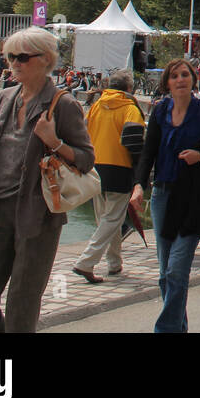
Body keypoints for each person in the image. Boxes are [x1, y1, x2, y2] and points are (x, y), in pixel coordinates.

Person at [0, 27, 95, 333]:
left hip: (37, 214)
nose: (14, 62)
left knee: (21, 307)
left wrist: (54, 141)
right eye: (10, 56)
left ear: (45, 59)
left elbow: (87, 159)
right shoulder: (1, 98)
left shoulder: (63, 105)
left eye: (22, 56)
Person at [129, 58, 200, 333]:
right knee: (164, 273)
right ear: (167, 83)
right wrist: (138, 187)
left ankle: (165, 330)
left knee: (176, 270)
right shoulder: (160, 112)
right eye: (175, 76)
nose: (180, 79)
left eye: (185, 74)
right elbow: (148, 153)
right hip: (163, 195)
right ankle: (177, 328)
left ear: (194, 79)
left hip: (195, 196)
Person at [72, 70, 145, 284]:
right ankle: (86, 262)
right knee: (112, 219)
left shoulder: (95, 106)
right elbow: (134, 144)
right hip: (119, 168)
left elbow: (84, 135)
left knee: (105, 219)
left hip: (95, 168)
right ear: (129, 88)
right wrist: (139, 174)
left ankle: (114, 263)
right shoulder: (130, 109)